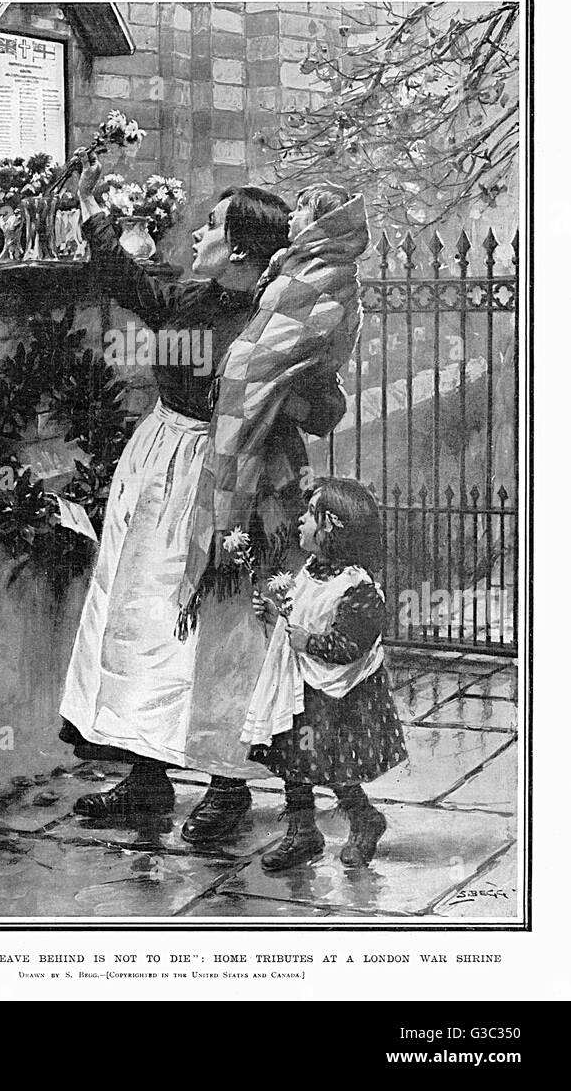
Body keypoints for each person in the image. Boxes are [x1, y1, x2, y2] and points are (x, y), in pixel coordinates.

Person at [58, 156, 292, 825]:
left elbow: (310, 407)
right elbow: (135, 288)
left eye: (211, 226)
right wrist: (94, 213)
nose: (195, 235)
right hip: (157, 464)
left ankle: (226, 787)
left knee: (218, 630)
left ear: (241, 247)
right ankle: (148, 775)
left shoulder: (273, 322)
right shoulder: (195, 298)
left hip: (223, 481)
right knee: (139, 620)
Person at [173, 182, 371, 842]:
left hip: (273, 495)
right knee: (227, 642)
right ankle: (228, 785)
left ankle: (306, 812)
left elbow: (327, 404)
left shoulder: (293, 295)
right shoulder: (217, 304)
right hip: (224, 485)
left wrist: (295, 400)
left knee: (281, 646)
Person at [247, 478, 407, 870]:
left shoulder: (358, 588)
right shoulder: (310, 570)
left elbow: (351, 646)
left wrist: (309, 643)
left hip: (339, 697)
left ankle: (364, 819)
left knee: (333, 765)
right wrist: (275, 617)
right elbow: (300, 618)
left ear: (331, 527)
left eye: (309, 516)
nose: (300, 521)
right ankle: (302, 832)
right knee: (296, 761)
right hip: (302, 687)